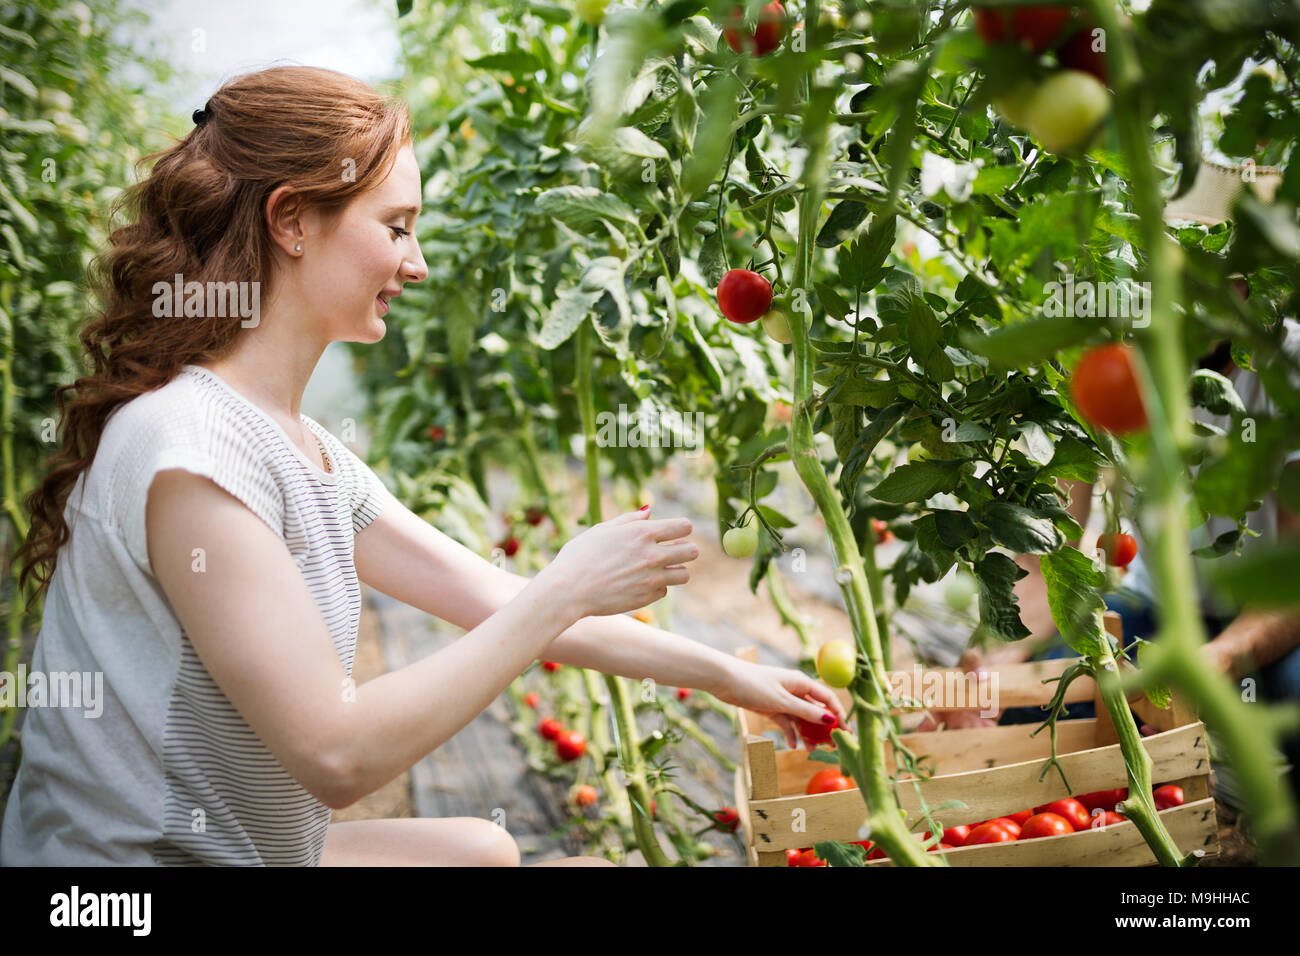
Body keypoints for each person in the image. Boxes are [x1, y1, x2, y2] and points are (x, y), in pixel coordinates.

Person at [0, 66, 845, 867]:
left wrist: (732, 674)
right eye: (396, 227)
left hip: (234, 851)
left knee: (487, 848)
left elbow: (492, 598)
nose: (418, 262)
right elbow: (337, 755)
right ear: (292, 221)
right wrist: (565, 586)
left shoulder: (305, 452)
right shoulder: (191, 450)